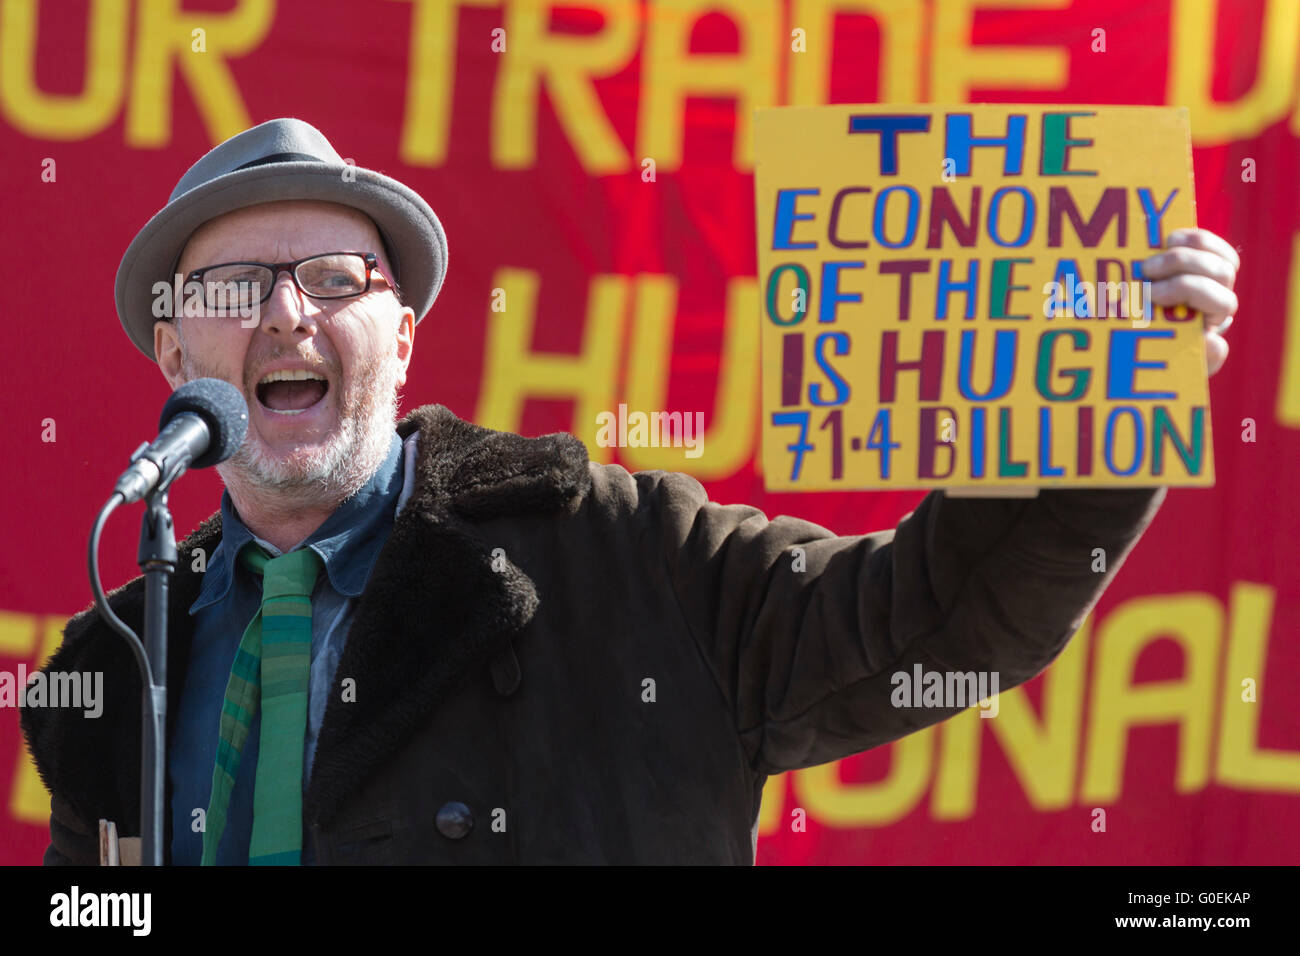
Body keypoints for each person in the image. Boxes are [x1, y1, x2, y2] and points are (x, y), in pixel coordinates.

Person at [19, 118, 1240, 865]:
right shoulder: (121, 666)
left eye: (336, 277)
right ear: (177, 356)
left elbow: (943, 623)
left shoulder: (622, 555)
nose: (289, 311)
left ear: (400, 340)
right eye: (234, 288)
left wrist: (1098, 403)